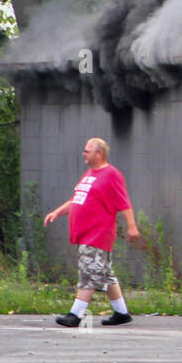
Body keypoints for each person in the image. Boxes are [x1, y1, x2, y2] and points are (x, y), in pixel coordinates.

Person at [43, 137, 140, 327]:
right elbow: (76, 200)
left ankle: (75, 314)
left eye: (87, 150)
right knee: (105, 273)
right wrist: (57, 212)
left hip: (97, 234)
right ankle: (122, 312)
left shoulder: (111, 174)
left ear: (99, 153)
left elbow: (124, 202)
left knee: (89, 272)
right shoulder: (89, 175)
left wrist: (132, 226)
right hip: (86, 234)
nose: (84, 154)